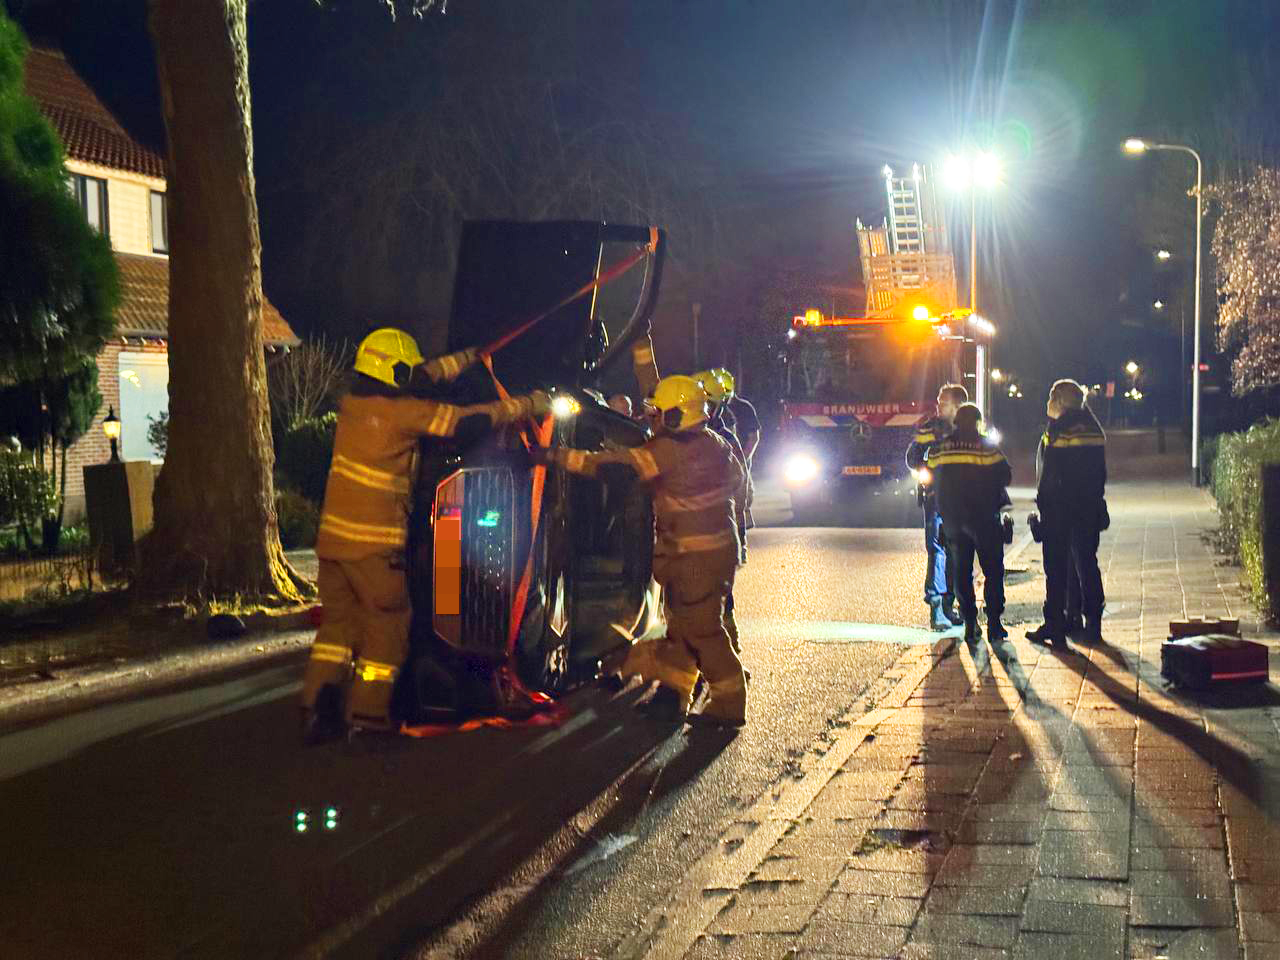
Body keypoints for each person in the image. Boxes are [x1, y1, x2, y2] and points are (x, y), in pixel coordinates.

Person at [300, 327, 551, 742]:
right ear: (395, 371)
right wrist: (526, 405)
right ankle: (368, 719)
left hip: (332, 546)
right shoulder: (406, 414)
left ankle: (318, 709)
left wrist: (469, 355)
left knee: (338, 631)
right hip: (375, 547)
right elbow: (462, 422)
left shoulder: (352, 405)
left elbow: (423, 376)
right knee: (387, 629)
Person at [532, 373, 748, 729]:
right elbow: (737, 485)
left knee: (702, 632)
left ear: (676, 416)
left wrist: (554, 455)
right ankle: (674, 696)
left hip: (694, 559)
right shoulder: (715, 444)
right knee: (681, 629)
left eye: (659, 412)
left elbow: (613, 469)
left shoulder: (668, 450)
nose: (652, 417)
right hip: (711, 555)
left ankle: (728, 700)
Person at [1026, 379, 1107, 649]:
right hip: (1088, 506)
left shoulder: (1058, 429)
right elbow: (1100, 472)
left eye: (1051, 397)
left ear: (1059, 400)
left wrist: (1043, 506)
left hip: (1060, 508)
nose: (1047, 403)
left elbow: (1050, 473)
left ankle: (1056, 625)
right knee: (1086, 563)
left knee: (1057, 568)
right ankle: (1090, 621)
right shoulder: (1094, 427)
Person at [926, 402, 1012, 654]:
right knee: (993, 571)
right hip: (984, 518)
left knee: (962, 573)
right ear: (977, 422)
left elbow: (930, 472)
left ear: (956, 422)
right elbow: (1005, 476)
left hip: (953, 520)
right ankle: (994, 623)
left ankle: (970, 623)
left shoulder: (941, 447)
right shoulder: (987, 447)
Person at [906, 383, 968, 630]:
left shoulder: (971, 427)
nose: (938, 405)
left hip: (962, 500)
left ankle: (949, 605)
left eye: (943, 402)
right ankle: (936, 608)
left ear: (958, 405)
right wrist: (924, 461)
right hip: (936, 497)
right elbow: (911, 458)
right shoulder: (929, 428)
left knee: (957, 552)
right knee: (937, 550)